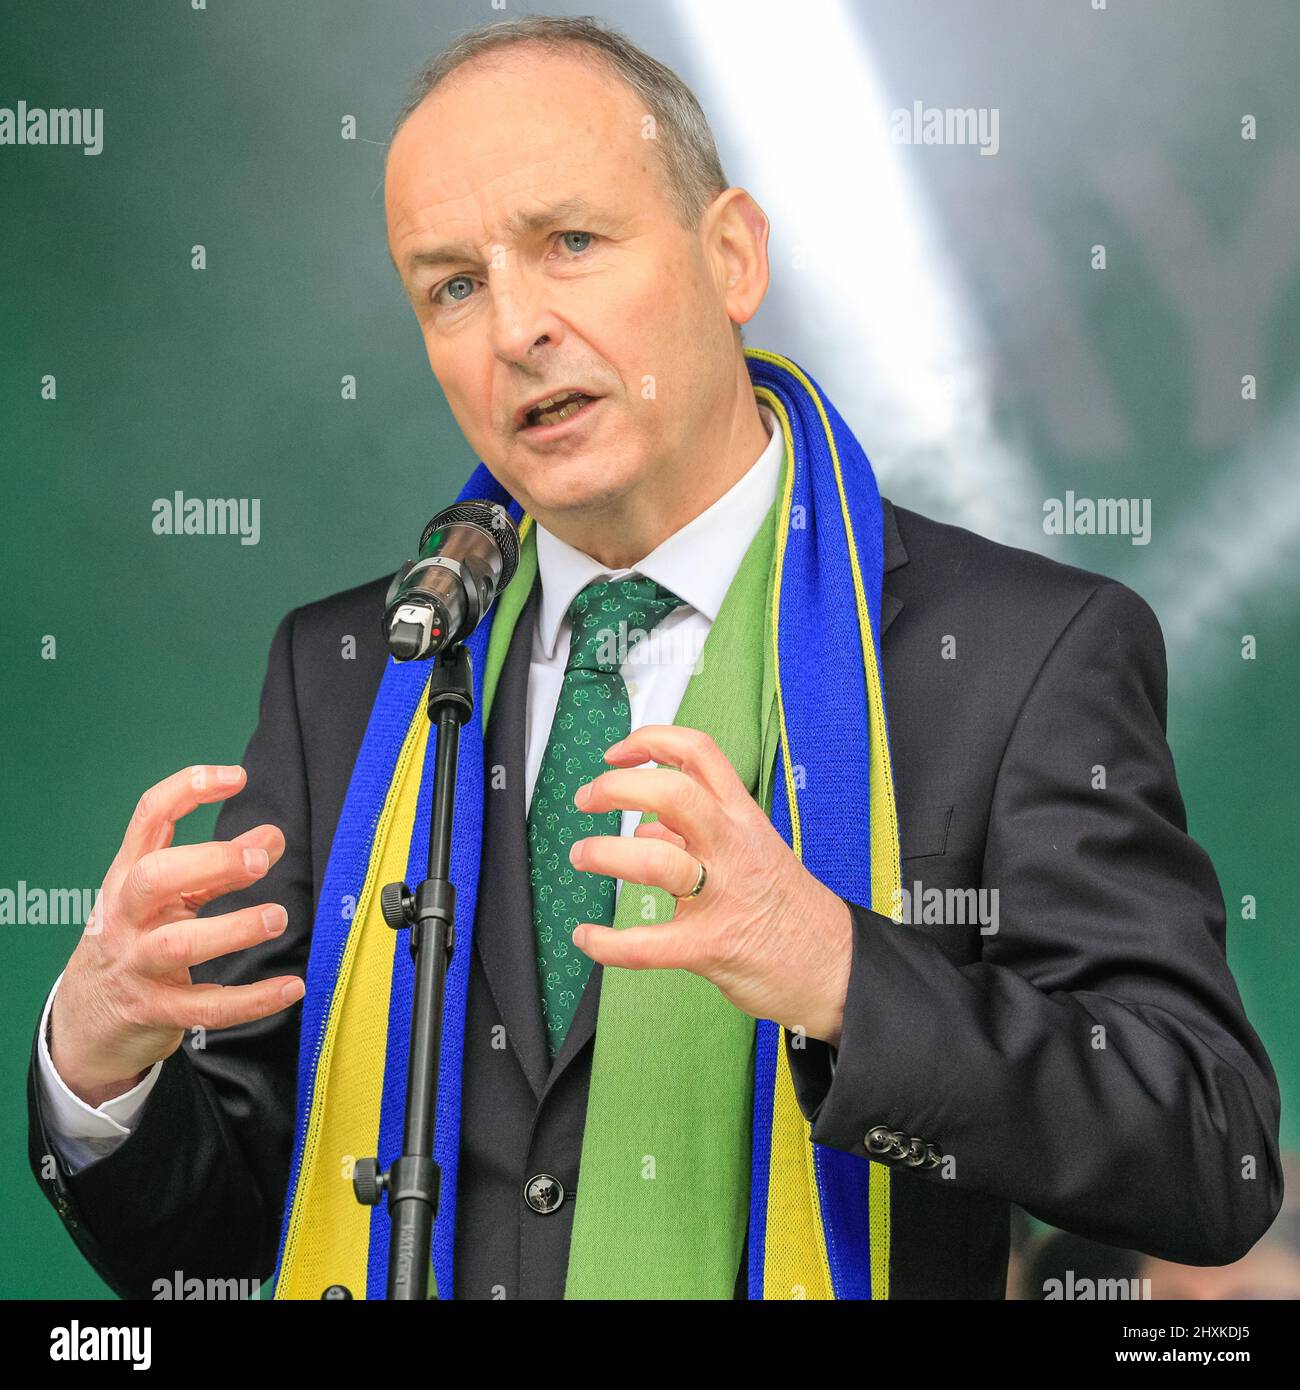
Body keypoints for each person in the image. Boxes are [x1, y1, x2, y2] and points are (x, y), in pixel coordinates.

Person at [28, 15, 1282, 1300]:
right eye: (452, 284)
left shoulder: (1019, 653)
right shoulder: (355, 666)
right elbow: (240, 1249)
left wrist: (843, 974)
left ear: (731, 255)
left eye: (569, 242)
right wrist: (102, 1064)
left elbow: (1208, 1154)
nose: (516, 326)